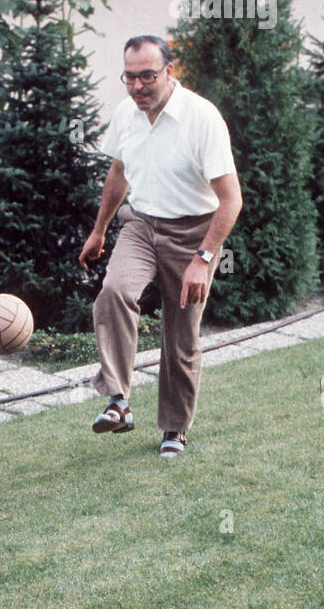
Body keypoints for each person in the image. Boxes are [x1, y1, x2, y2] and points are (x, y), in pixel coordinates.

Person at [79, 35, 243, 457]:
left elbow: (231, 200)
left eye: (147, 76)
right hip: (141, 225)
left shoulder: (202, 118)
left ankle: (175, 428)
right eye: (130, 77)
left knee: (181, 336)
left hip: (194, 234)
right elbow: (119, 172)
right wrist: (99, 230)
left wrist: (203, 260)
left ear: (170, 71)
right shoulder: (126, 114)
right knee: (114, 293)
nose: (138, 87)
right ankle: (118, 400)